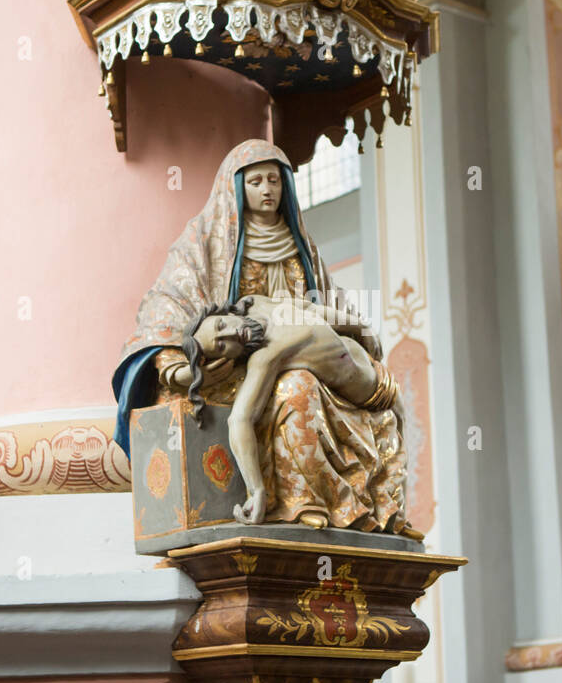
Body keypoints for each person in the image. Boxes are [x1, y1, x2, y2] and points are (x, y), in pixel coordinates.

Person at [112, 139, 409, 536]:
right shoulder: (206, 242)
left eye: (274, 180)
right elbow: (167, 309)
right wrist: (177, 369)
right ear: (236, 187)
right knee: (297, 389)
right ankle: (304, 503)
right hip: (246, 367)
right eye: (255, 182)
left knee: (376, 405)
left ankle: (377, 510)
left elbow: (323, 307)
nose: (266, 190)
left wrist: (361, 328)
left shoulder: (301, 248)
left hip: (318, 358)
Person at [180, 295, 416, 538]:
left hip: (376, 371)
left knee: (399, 463)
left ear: (224, 313)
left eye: (221, 325)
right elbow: (240, 420)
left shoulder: (257, 304)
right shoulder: (266, 358)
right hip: (370, 396)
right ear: (225, 359)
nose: (231, 334)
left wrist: (360, 326)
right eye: (221, 345)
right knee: (397, 450)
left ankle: (397, 520)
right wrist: (257, 490)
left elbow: (311, 309)